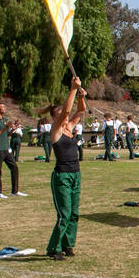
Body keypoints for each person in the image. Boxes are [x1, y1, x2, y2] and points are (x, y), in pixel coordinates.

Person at [42, 78, 88, 260]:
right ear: (55, 117)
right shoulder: (56, 131)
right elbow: (67, 110)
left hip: (75, 175)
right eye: (61, 115)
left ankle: (68, 245)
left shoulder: (69, 128)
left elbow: (81, 110)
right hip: (62, 177)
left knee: (74, 213)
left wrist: (81, 97)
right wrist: (73, 89)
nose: (66, 117)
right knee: (64, 213)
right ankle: (54, 248)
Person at [0, 102, 24, 197]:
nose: (4, 108)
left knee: (14, 168)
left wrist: (13, 129)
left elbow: (7, 134)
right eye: (2, 107)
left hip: (6, 148)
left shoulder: (5, 120)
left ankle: (15, 191)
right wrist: (5, 128)